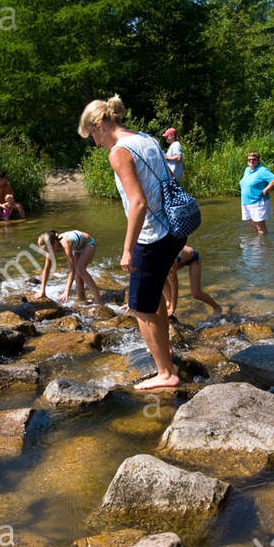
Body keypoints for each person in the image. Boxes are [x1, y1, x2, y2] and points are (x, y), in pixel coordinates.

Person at [80, 95, 185, 391]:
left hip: (150, 236)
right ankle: (167, 357)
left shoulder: (119, 151)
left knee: (139, 307)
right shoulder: (147, 139)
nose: (95, 143)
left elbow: (138, 202)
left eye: (92, 136)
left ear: (100, 125)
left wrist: (127, 249)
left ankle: (166, 373)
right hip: (173, 229)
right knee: (153, 301)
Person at [34, 229, 99, 303]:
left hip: (88, 244)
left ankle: (98, 300)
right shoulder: (50, 247)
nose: (48, 252)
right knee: (78, 275)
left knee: (80, 270)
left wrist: (66, 292)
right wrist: (42, 291)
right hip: (77, 247)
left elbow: (72, 270)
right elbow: (46, 270)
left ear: (55, 243)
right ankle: (82, 299)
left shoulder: (66, 244)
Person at [163, 245, 222, 319]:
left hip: (193, 258)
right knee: (159, 278)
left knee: (196, 293)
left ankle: (217, 307)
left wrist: (172, 309)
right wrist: (168, 301)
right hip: (180, 258)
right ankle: (168, 303)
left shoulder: (170, 263)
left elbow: (174, 286)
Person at [239, 151, 274, 234]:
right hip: (246, 202)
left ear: (258, 160)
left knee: (260, 226)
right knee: (252, 224)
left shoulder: (262, 170)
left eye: (254, 159)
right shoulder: (247, 170)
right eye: (249, 160)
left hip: (258, 202)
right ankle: (258, 243)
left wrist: (266, 190)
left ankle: (264, 244)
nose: (251, 161)